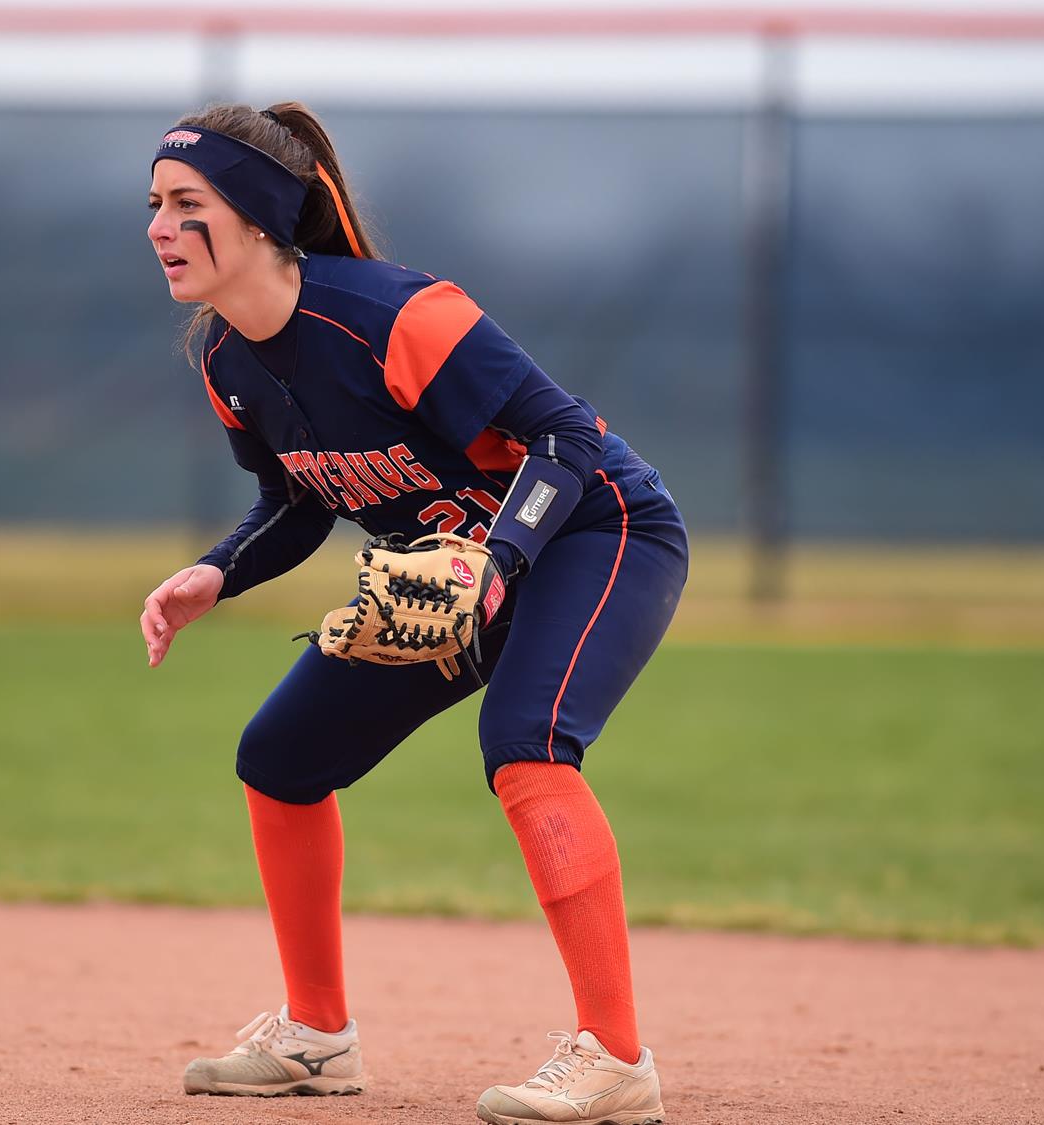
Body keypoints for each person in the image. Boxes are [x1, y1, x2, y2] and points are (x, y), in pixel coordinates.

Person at [138, 102, 688, 1125]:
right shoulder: (228, 362)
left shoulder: (397, 316)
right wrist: (217, 573)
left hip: (597, 533)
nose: (159, 228)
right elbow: (298, 500)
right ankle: (316, 1036)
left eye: (186, 204)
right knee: (281, 759)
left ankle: (614, 1060)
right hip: (457, 569)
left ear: (257, 215)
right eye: (155, 206)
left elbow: (564, 443)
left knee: (526, 748)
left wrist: (500, 561)